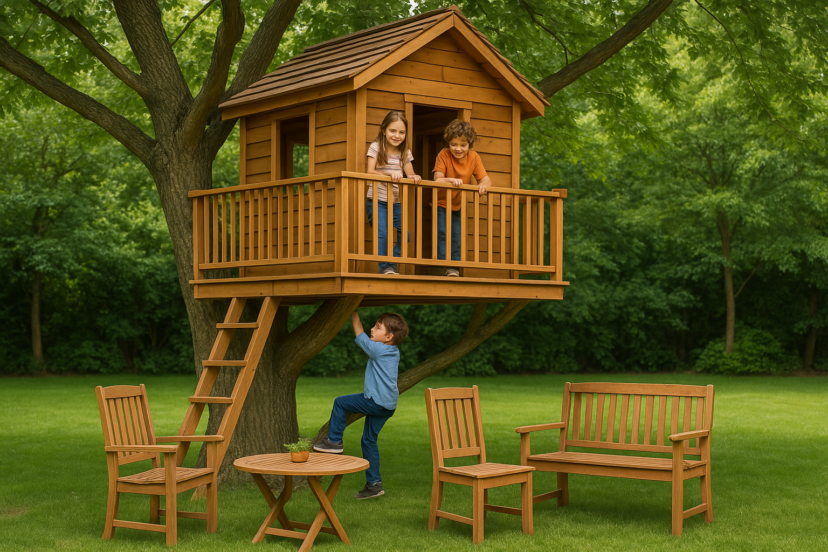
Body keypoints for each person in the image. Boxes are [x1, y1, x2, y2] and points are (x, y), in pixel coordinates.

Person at [314, 311, 409, 499]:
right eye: (374, 325)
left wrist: (352, 311)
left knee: (340, 403)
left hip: (375, 402)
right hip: (388, 405)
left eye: (378, 327)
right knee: (369, 441)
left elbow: (359, 332)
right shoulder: (392, 350)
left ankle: (334, 442)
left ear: (389, 337)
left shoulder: (378, 349)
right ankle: (374, 484)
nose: (372, 329)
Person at [432, 120, 492, 277]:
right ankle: (441, 265)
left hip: (457, 204)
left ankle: (453, 268)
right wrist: (450, 180)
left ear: (469, 144)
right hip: (441, 202)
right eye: (454, 144)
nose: (458, 149)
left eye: (463, 145)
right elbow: (437, 180)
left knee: (456, 235)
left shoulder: (473, 157)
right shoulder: (443, 154)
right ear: (448, 143)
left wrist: (483, 186)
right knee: (442, 232)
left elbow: (486, 179)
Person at [366, 111, 422, 275]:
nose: (397, 135)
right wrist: (388, 174)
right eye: (393, 131)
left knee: (405, 235)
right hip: (377, 200)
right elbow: (369, 171)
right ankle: (385, 268)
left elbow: (410, 173)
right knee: (383, 235)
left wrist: (414, 176)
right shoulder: (376, 147)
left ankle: (391, 264)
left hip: (396, 202)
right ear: (384, 130)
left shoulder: (405, 152)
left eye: (401, 132)